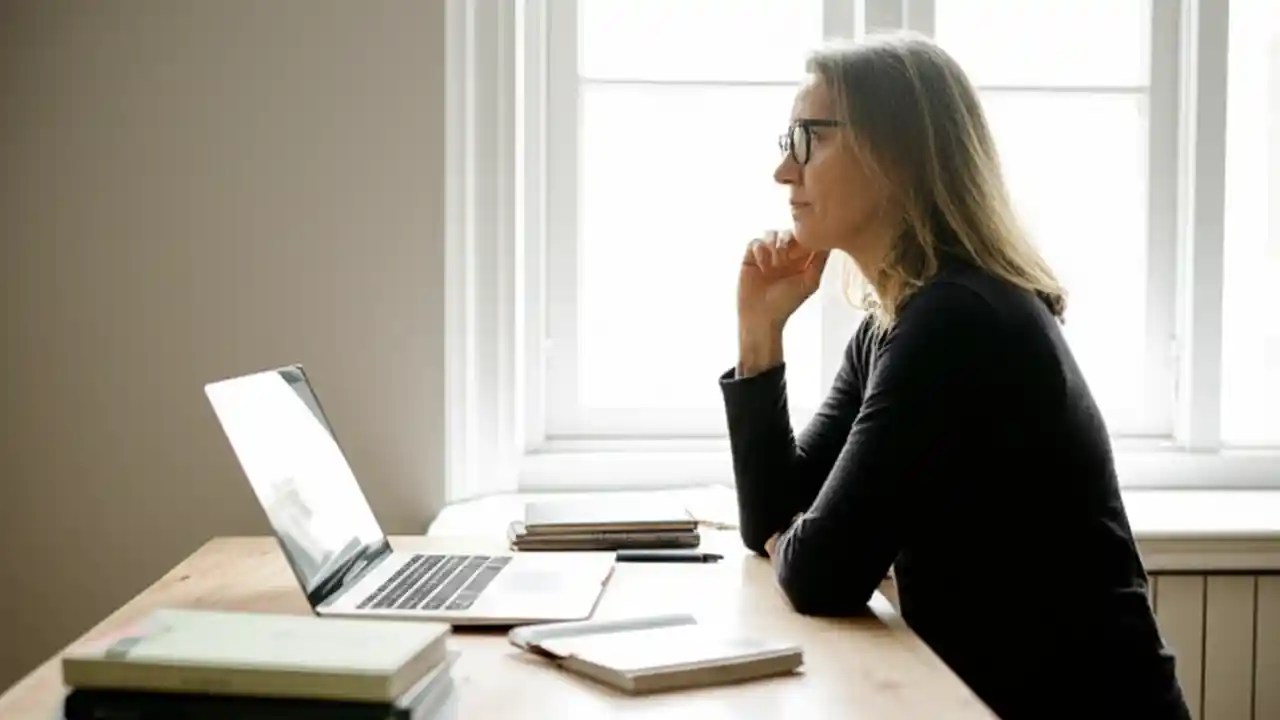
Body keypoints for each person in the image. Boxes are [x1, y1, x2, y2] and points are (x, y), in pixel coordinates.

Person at [718, 32, 1190, 720]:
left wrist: (802, 537)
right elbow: (774, 518)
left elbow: (822, 571)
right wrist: (760, 333)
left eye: (806, 139)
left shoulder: (957, 321)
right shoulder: (898, 321)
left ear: (896, 154)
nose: (783, 172)